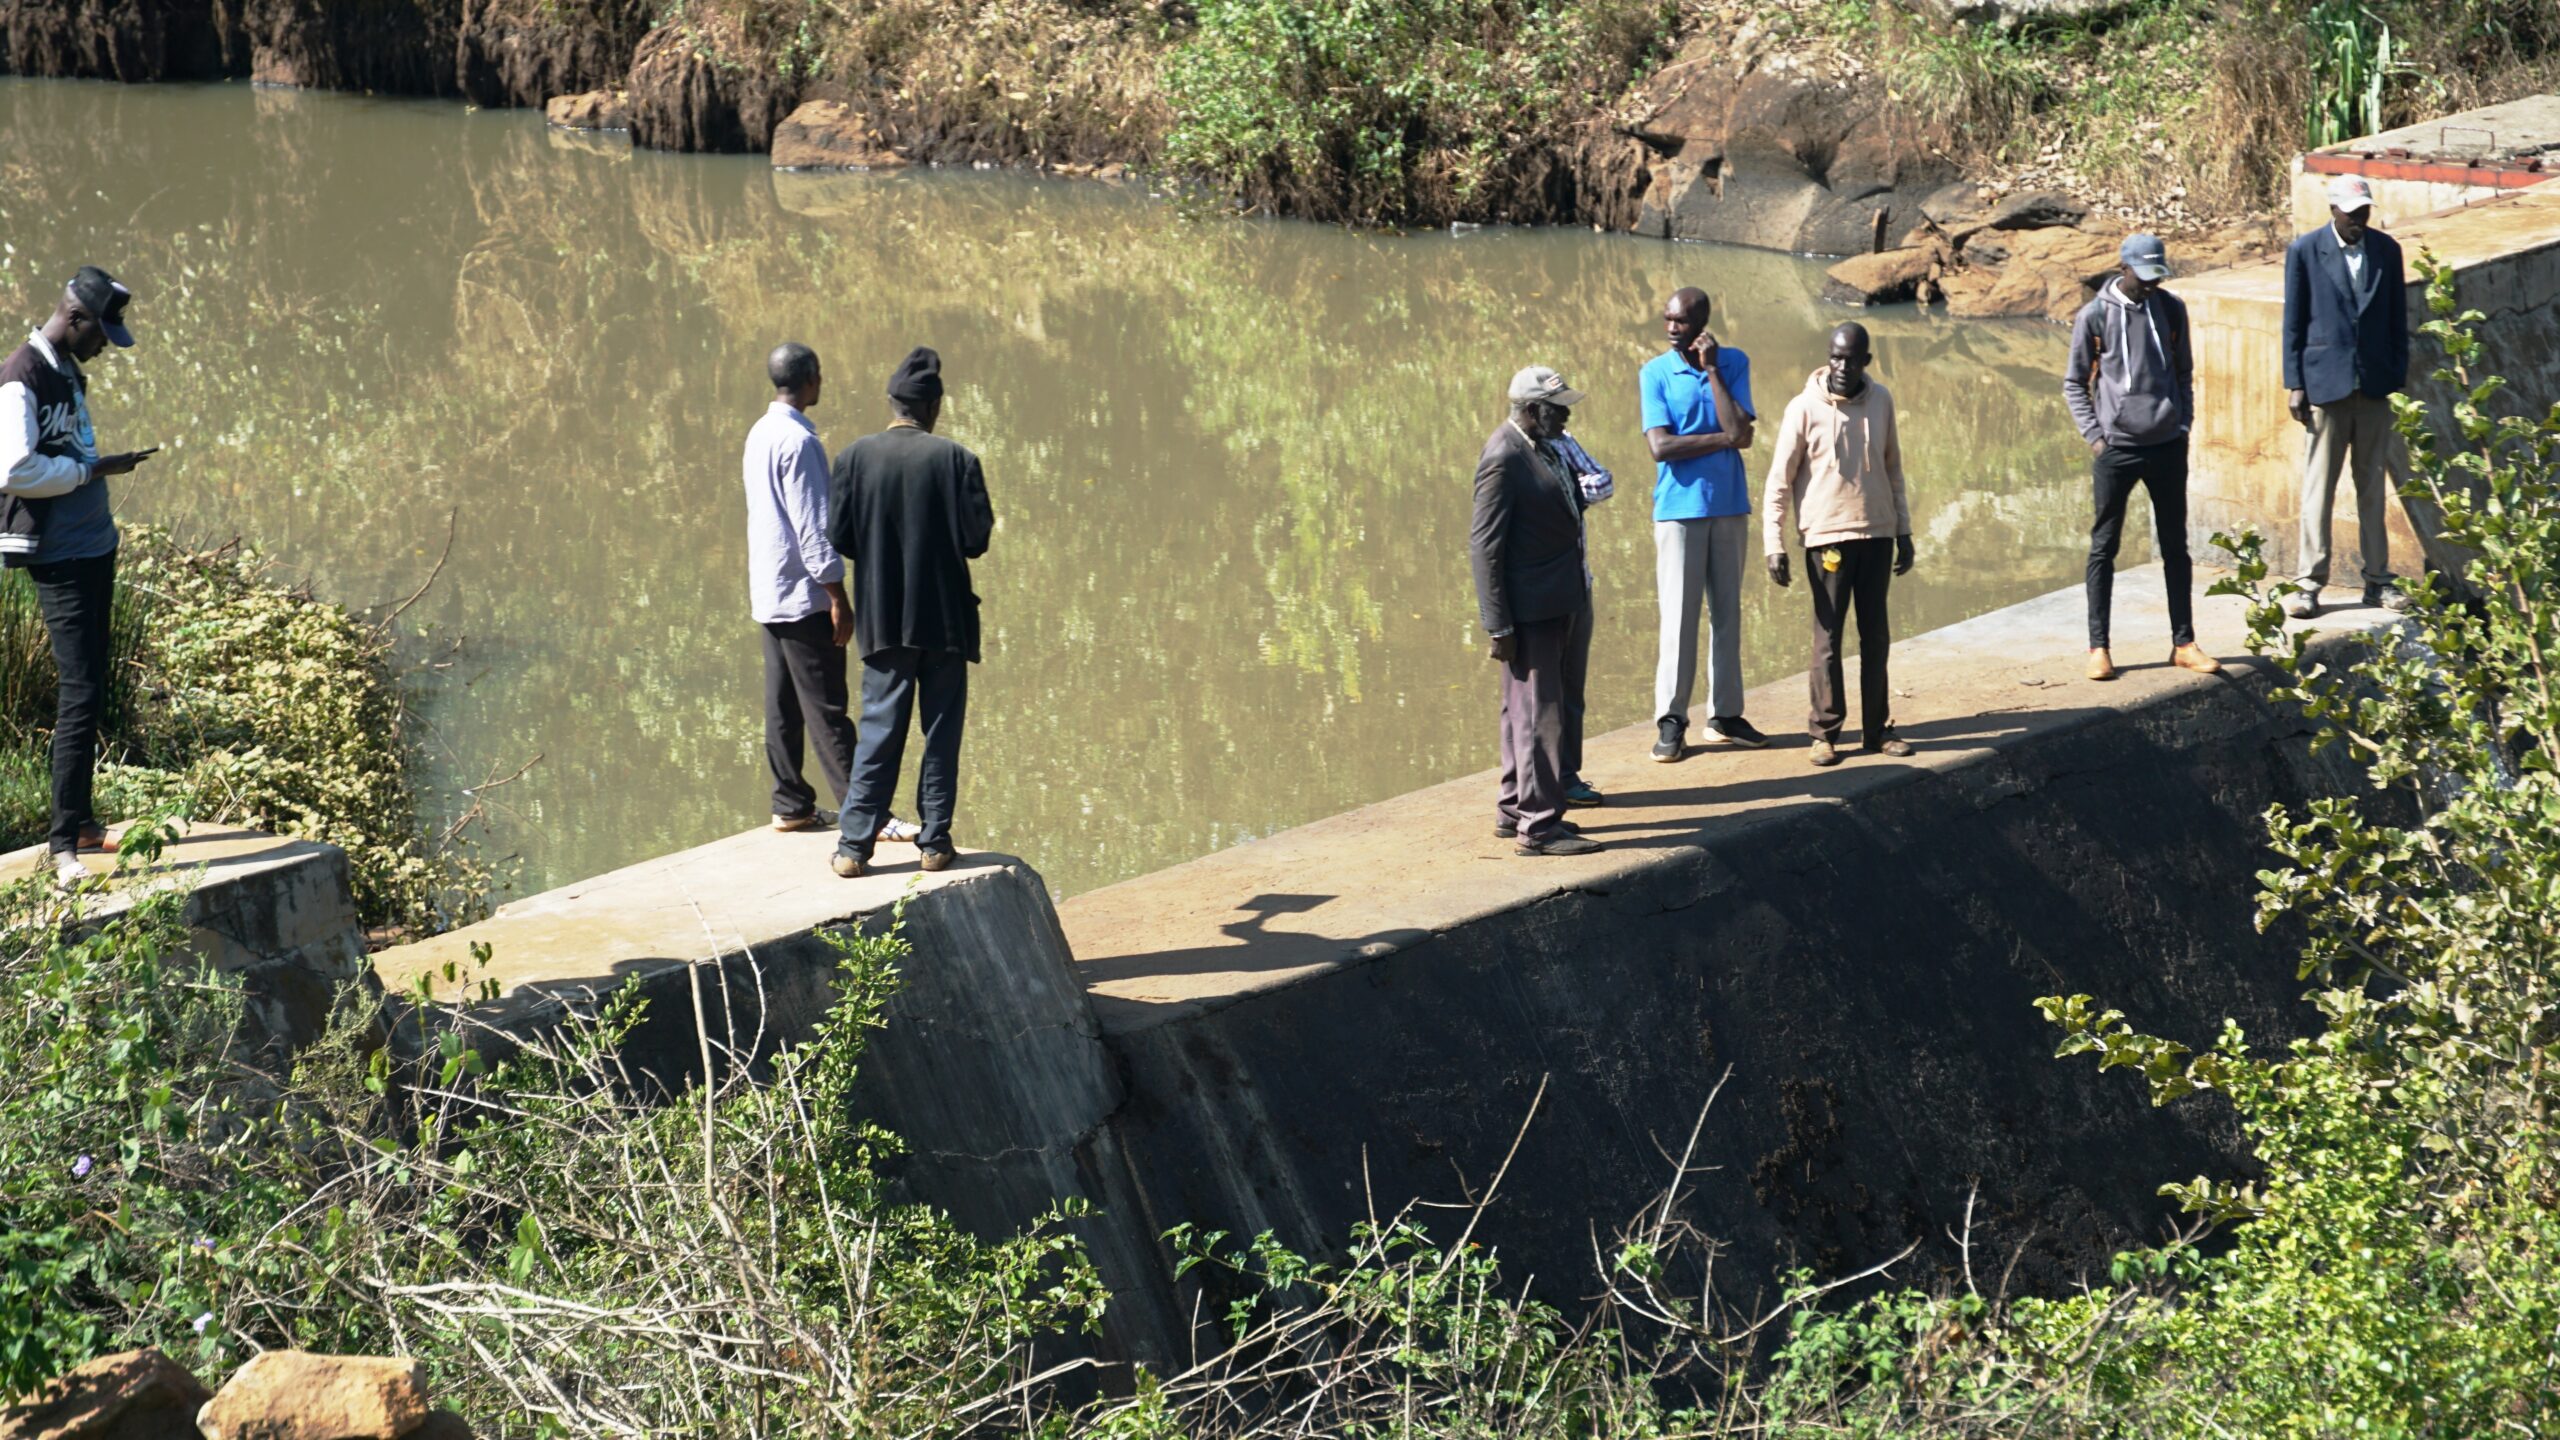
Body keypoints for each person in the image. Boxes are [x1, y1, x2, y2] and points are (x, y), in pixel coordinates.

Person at [0, 266, 154, 891]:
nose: (104, 347)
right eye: (101, 334)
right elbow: (14, 469)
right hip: (58, 553)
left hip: (91, 547)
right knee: (80, 690)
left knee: (92, 685)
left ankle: (84, 823)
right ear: (76, 318)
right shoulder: (21, 376)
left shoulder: (65, 370)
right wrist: (95, 472)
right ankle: (63, 843)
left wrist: (96, 470)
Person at [740, 343, 920, 845]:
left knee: (783, 706)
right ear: (811, 380)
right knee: (828, 711)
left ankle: (790, 803)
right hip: (802, 595)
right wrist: (837, 595)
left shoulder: (759, 432)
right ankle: (870, 815)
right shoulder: (800, 443)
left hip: (769, 591)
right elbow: (813, 528)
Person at [826, 347, 992, 879]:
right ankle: (935, 842)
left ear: (892, 402)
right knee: (940, 730)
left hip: (882, 618)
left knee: (880, 728)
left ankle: (854, 848)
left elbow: (840, 537)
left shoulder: (853, 457)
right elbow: (975, 541)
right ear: (935, 405)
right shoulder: (958, 460)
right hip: (945, 621)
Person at [2063, 234, 2221, 681]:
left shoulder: (2171, 310)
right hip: (2117, 449)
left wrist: (2184, 424)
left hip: (2168, 443)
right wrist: (2097, 437)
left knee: (2176, 547)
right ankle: (2099, 647)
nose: (2152, 284)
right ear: (2124, 268)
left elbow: (2185, 372)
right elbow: (2075, 383)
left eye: (2158, 276)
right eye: (2145, 276)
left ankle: (2184, 643)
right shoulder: (2094, 316)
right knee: (2104, 547)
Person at [1763, 323, 1915, 768]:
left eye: (1851, 359)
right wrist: (1775, 543)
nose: (1842, 367)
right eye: (1835, 357)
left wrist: (1903, 530)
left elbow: (1894, 470)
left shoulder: (1882, 400)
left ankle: (1877, 730)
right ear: (1827, 357)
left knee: (1877, 636)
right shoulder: (1802, 408)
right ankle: (1824, 732)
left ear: (1866, 361)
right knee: (1827, 639)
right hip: (1826, 539)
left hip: (1876, 534)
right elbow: (1779, 481)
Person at [1472, 366, 1602, 857]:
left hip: (1556, 598)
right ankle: (1540, 827)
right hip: (1530, 609)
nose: (1567, 413)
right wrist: (1498, 623)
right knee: (1538, 715)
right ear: (1530, 410)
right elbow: (1483, 547)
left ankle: (1514, 808)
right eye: (1557, 407)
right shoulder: (1504, 456)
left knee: (1522, 710)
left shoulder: (1542, 446)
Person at [1640, 286, 1763, 764]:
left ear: (1704, 323)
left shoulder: (1732, 363)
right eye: (1668, 320)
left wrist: (1712, 370)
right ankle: (1672, 721)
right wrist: (1723, 439)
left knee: (1728, 614)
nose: (1673, 330)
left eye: (1682, 322)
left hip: (1730, 505)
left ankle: (1725, 715)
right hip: (1678, 511)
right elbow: (1661, 447)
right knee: (1679, 618)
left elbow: (1744, 435)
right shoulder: (1654, 373)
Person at [2282, 173, 2413, 619]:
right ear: (2333, 210)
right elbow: (2293, 324)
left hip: (2374, 386)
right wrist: (2295, 383)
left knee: (2372, 488)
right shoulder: (2304, 251)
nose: (2360, 220)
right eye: (2352, 213)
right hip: (2325, 385)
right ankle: (2308, 584)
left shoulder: (2386, 251)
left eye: (2365, 212)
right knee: (2318, 489)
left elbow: (2398, 319)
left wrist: (2396, 376)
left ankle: (2378, 580)